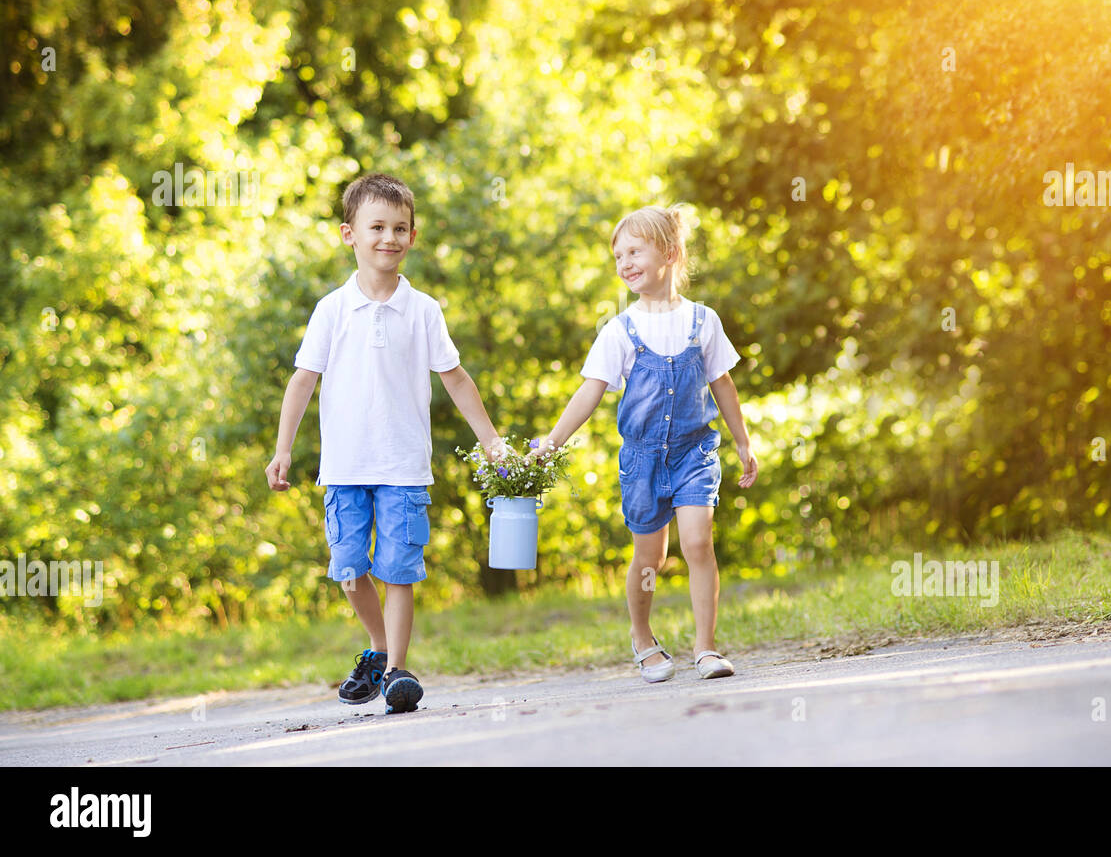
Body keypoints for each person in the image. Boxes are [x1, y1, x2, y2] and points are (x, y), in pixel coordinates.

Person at [265, 173, 504, 713]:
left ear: (412, 237)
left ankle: (397, 670)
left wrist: (490, 441)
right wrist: (283, 450)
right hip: (344, 466)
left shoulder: (424, 310)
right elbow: (303, 379)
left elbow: (456, 378)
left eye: (400, 228)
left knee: (398, 570)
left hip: (402, 464)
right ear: (349, 234)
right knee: (349, 571)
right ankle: (376, 648)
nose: (388, 238)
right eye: (376, 227)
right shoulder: (332, 309)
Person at [534, 205, 758, 682]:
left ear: (671, 254)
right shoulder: (619, 330)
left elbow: (723, 384)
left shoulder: (703, 321)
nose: (625, 262)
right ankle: (642, 636)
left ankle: (706, 647)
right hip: (641, 462)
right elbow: (590, 390)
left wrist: (742, 443)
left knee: (698, 542)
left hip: (695, 452)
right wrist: (553, 441)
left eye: (635, 251)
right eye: (619, 256)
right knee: (650, 558)